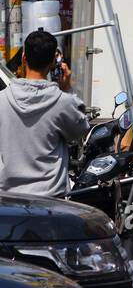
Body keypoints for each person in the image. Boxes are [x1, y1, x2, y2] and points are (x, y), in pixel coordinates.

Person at [0, 29, 90, 197]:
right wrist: (68, 89)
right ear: (51, 64)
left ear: (24, 57)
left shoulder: (2, 100)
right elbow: (81, 129)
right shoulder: (62, 102)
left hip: (8, 199)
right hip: (50, 201)